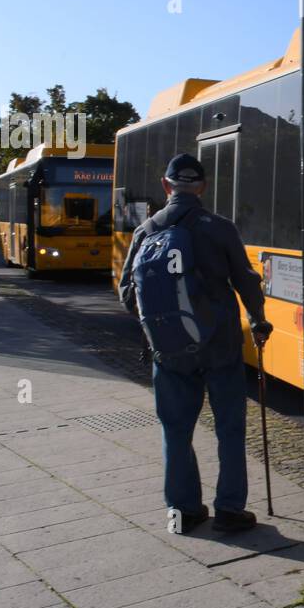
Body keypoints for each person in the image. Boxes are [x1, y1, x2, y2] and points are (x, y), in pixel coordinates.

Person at [118, 154, 272, 534]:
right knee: (230, 428)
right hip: (220, 344)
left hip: (169, 350)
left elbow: (126, 292)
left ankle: (183, 510)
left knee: (175, 428)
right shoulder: (220, 228)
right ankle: (230, 510)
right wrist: (257, 320)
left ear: (166, 185)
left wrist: (162, 325)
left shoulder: (145, 231)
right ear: (202, 187)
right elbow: (246, 280)